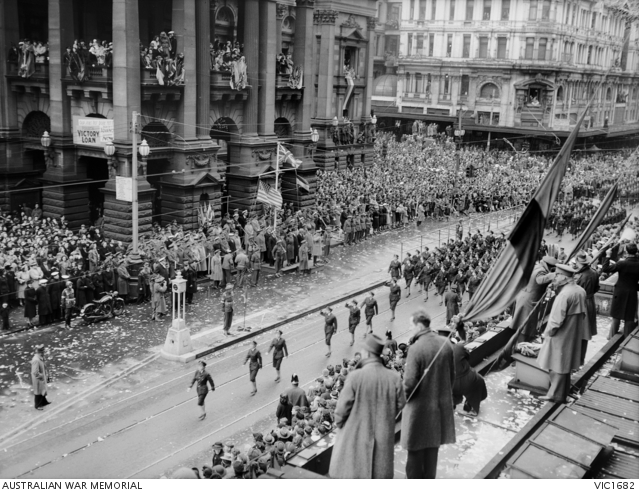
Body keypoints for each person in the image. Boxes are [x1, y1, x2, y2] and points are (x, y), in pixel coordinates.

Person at [329, 334, 405, 479]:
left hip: (355, 438)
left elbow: (340, 413)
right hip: (383, 439)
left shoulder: (355, 376)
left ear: (368, 352)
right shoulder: (394, 377)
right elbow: (401, 404)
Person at [401, 310, 456, 479]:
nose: (410, 329)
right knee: (432, 454)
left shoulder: (416, 348)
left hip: (419, 412)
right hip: (438, 410)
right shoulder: (445, 344)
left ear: (419, 326)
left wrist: (399, 403)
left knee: (415, 460)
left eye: (411, 326)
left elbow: (409, 384)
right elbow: (451, 377)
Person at [537, 264, 586, 403]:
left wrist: (548, 334)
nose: (554, 278)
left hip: (560, 335)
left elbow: (555, 321)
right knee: (565, 365)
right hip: (573, 333)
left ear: (564, 278)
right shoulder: (580, 290)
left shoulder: (564, 294)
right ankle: (561, 393)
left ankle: (555, 395)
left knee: (556, 365)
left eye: (557, 275)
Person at [511, 256, 557, 341]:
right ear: (549, 266)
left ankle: (526, 338)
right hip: (529, 299)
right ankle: (523, 341)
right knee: (526, 322)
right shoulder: (541, 271)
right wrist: (553, 275)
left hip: (524, 296)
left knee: (524, 321)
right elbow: (540, 280)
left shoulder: (536, 266)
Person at [602, 242, 639, 339]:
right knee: (629, 317)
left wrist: (608, 256)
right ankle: (627, 339)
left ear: (626, 251)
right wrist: (635, 286)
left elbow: (605, 269)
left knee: (616, 316)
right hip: (632, 293)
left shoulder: (622, 263)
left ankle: (611, 337)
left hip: (620, 292)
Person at [574, 252, 600, 365]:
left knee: (578, 332)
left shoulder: (580, 276)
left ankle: (576, 360)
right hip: (590, 303)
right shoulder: (594, 273)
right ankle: (581, 360)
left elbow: (575, 292)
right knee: (585, 333)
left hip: (581, 304)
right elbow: (597, 288)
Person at [451, 339, 487, 416]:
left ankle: (451, 404)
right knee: (478, 381)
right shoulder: (459, 347)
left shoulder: (436, 352)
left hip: (450, 383)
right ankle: (471, 405)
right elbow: (468, 356)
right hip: (467, 380)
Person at [31, 345, 51, 410]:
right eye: (42, 352)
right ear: (39, 352)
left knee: (42, 390)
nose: (43, 353)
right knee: (38, 392)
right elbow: (35, 372)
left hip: (41, 377)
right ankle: (37, 405)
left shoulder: (40, 358)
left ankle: (44, 402)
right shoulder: (36, 360)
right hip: (38, 379)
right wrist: (42, 376)